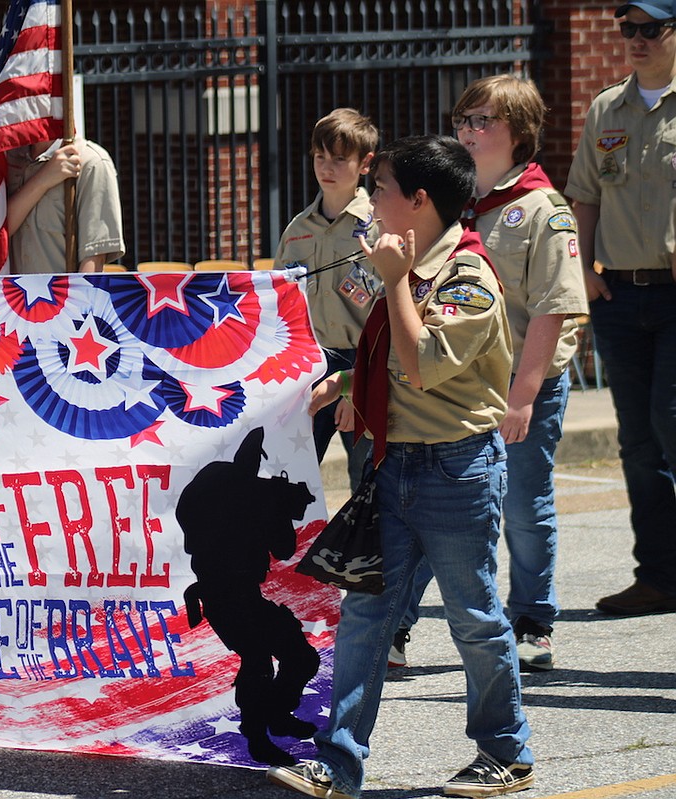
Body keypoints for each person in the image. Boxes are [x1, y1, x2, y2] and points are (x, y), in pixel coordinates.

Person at [269, 136, 534, 798]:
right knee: (363, 614)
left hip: (456, 471)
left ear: (418, 201)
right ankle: (337, 761)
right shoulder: (409, 267)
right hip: (395, 468)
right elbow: (389, 353)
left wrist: (391, 282)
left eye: (382, 187)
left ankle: (506, 752)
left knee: (474, 615)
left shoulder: (469, 278)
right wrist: (351, 384)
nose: (374, 200)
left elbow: (420, 366)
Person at [390, 75, 589, 672]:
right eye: (464, 121)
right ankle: (397, 625)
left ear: (519, 134)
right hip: (452, 382)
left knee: (524, 504)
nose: (470, 133)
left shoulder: (540, 209)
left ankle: (532, 617)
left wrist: (524, 398)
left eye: (485, 123)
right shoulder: (448, 200)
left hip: (521, 382)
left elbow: (555, 307)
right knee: (433, 506)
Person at [565, 0, 676, 617]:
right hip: (620, 296)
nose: (635, 39)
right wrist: (582, 270)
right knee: (638, 442)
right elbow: (583, 197)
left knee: (670, 420)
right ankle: (659, 576)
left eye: (649, 28)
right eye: (627, 29)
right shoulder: (608, 108)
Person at [275, 108, 380, 491]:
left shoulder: (378, 224)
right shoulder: (299, 229)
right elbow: (280, 305)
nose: (327, 167)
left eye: (340, 158)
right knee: (292, 476)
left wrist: (353, 390)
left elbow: (384, 309)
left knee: (366, 481)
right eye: (320, 156)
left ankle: (363, 554)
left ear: (365, 163)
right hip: (309, 364)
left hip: (363, 360)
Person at [5, 137, 125, 273]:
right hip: (9, 292)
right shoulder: (9, 159)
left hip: (59, 293)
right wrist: (43, 179)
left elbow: (93, 258)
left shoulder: (92, 162)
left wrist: (78, 294)